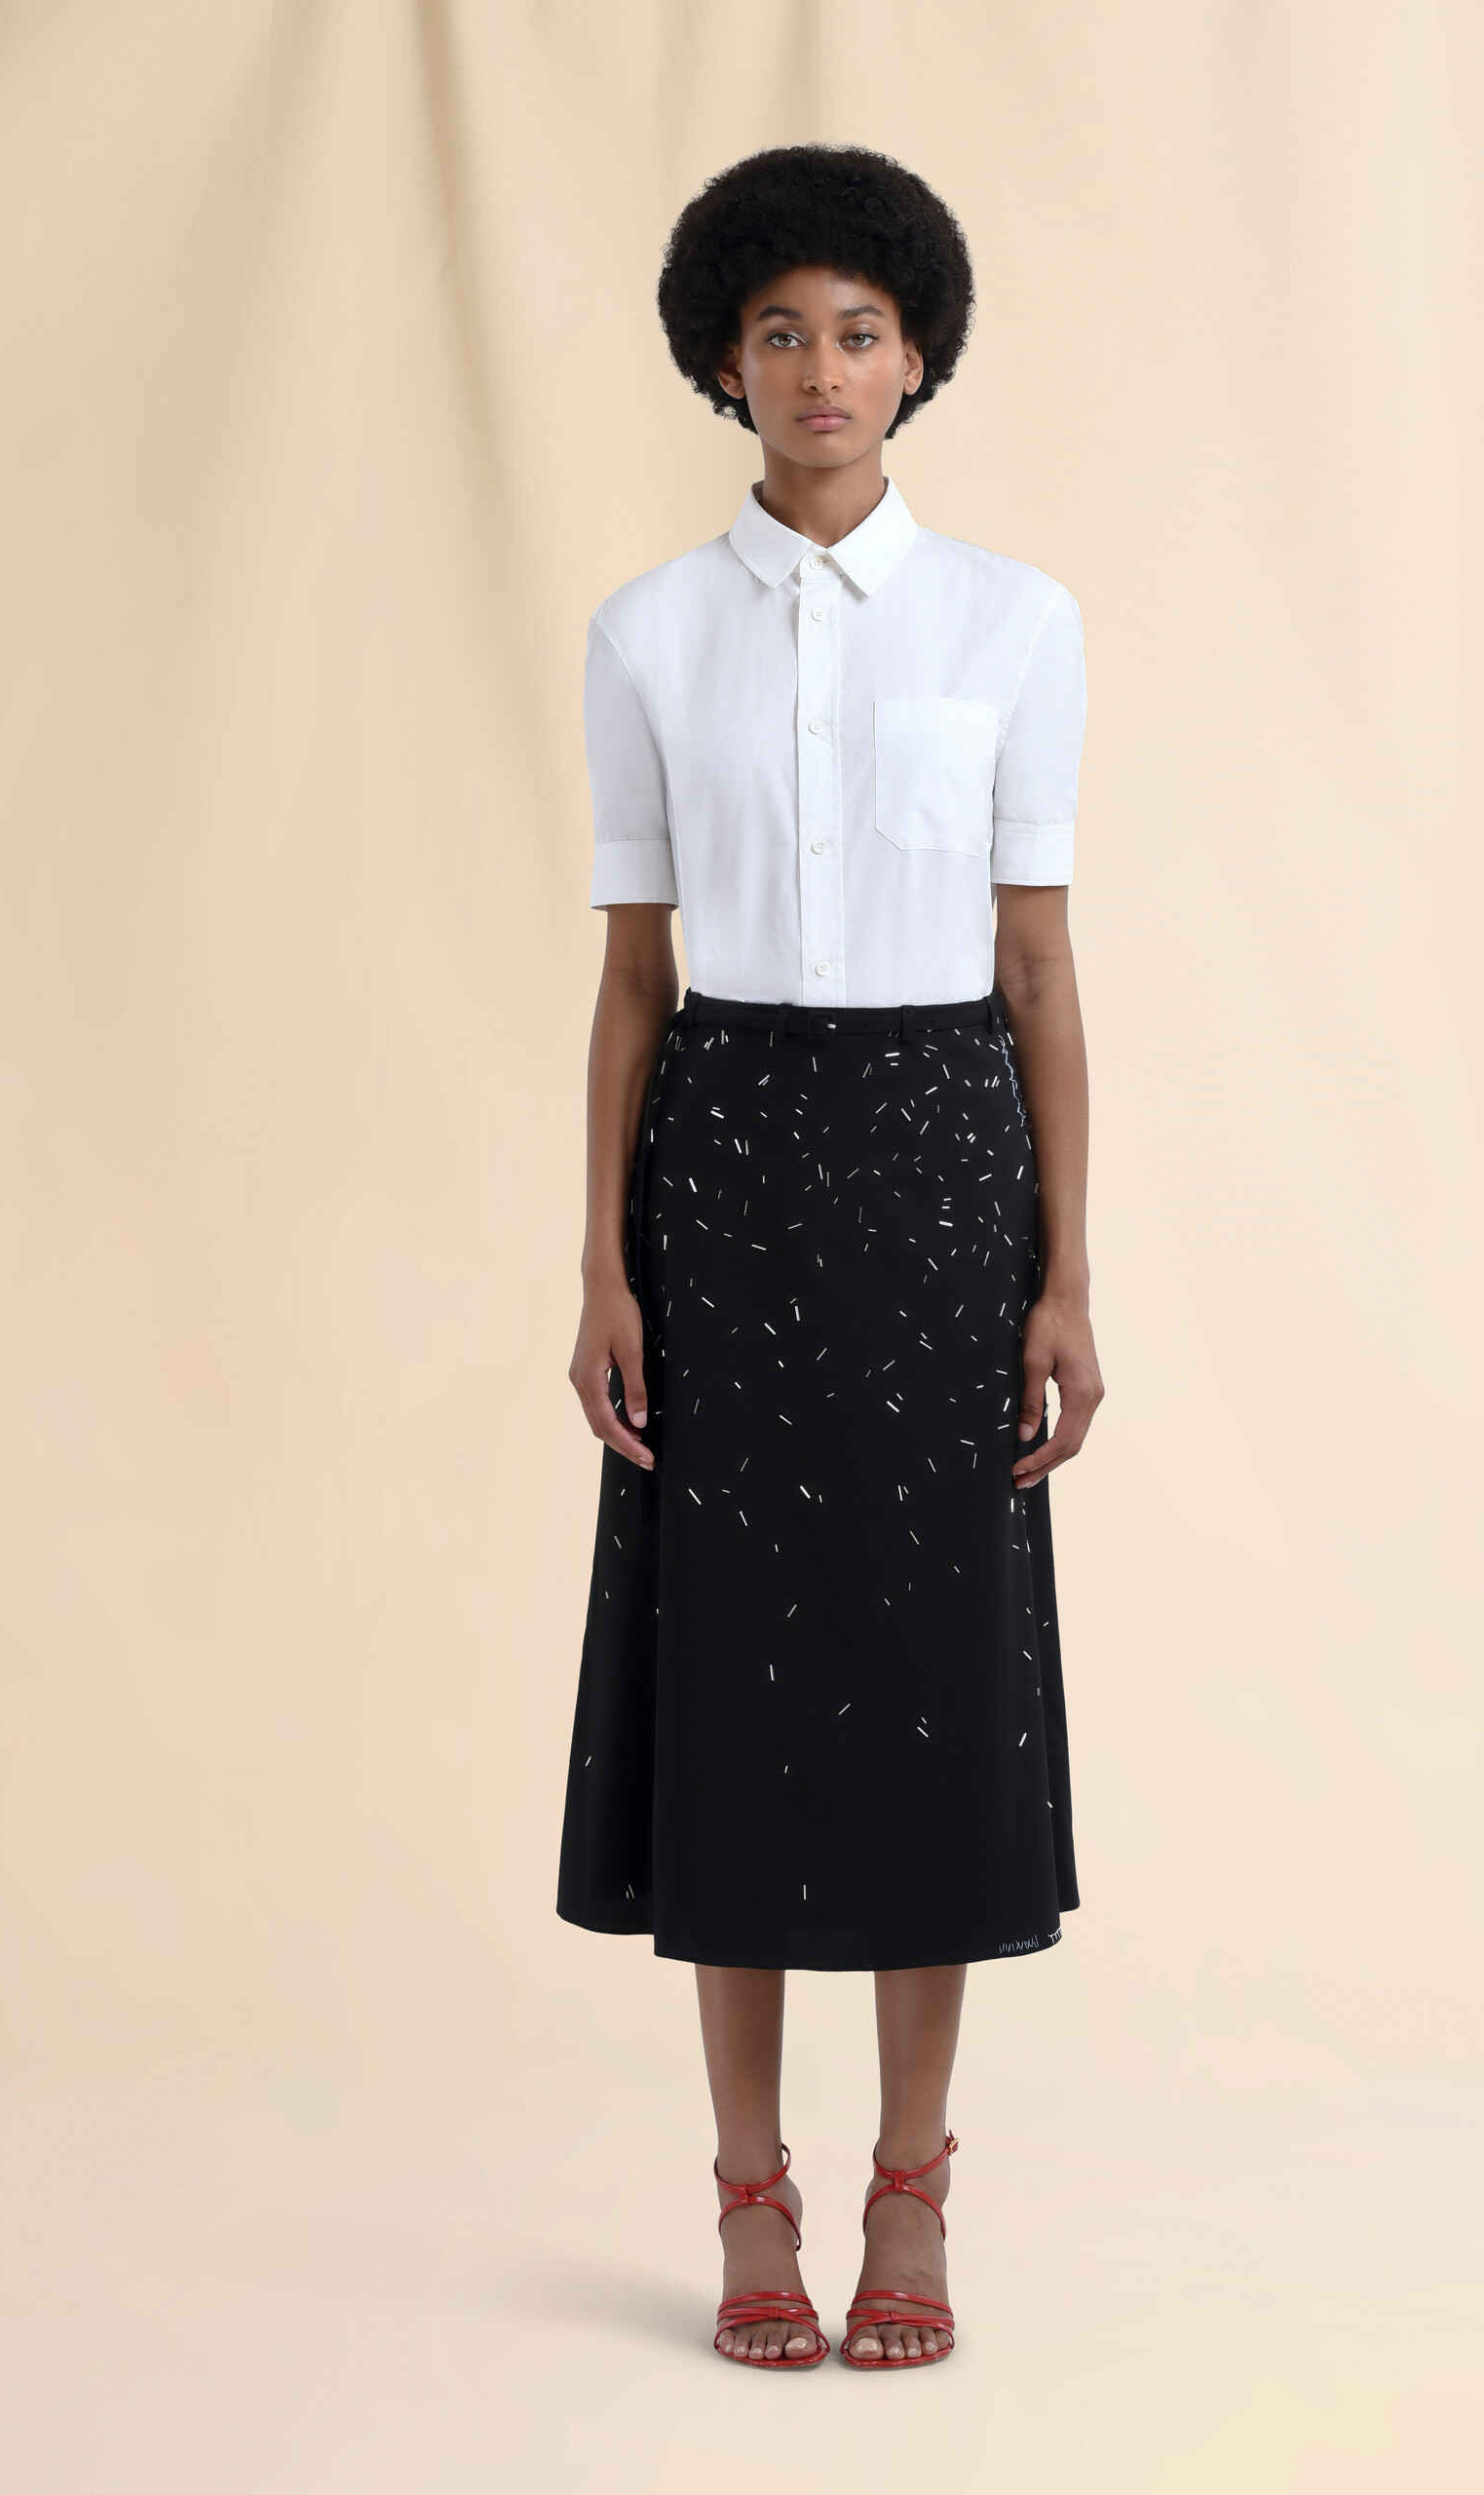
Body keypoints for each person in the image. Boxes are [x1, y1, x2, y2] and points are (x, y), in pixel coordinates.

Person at [557, 144, 1103, 2370]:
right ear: (723, 359)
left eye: (859, 331)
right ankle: (747, 2192)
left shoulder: (1017, 622)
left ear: (917, 358)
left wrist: (1067, 1275)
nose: (819, 367)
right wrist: (601, 1264)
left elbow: (1041, 968)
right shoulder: (647, 632)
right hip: (726, 1161)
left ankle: (913, 2183)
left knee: (928, 1676)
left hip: (943, 1158)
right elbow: (633, 980)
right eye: (778, 330)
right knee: (740, 1683)